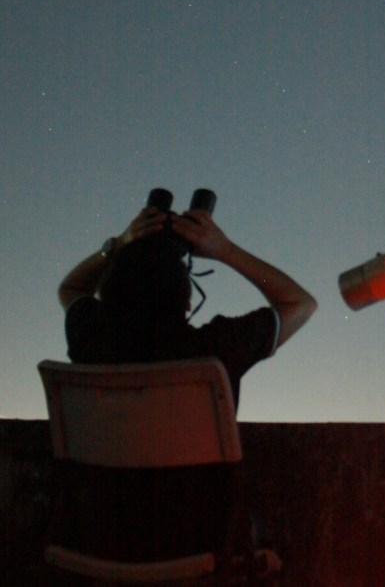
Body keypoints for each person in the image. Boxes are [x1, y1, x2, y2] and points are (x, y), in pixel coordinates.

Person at [56, 196, 317, 579]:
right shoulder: (215, 349)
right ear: (187, 298)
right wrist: (226, 251)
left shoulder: (89, 335)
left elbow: (70, 289)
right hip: (199, 549)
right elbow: (300, 303)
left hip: (99, 543)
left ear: (108, 291)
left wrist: (118, 244)